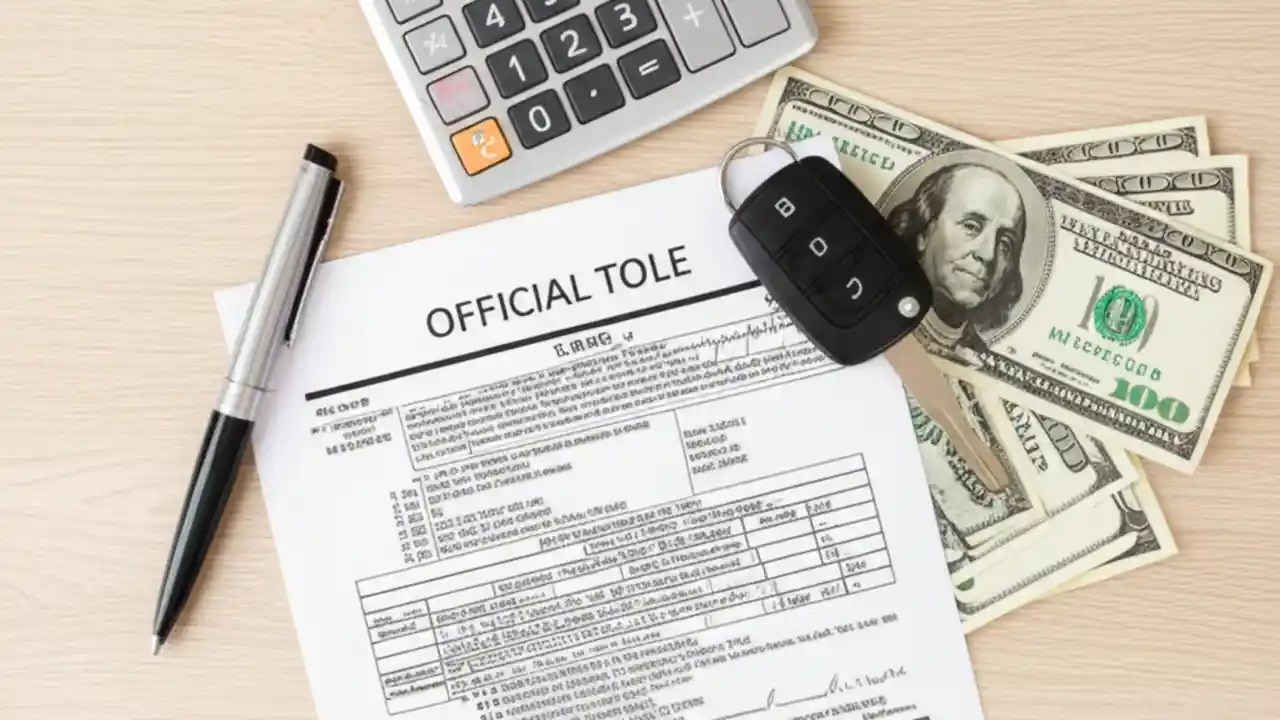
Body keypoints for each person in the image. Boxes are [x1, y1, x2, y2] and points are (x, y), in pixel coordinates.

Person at [888, 164, 1027, 351]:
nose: (987, 255)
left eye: (1005, 244)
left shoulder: (978, 359)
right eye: (971, 226)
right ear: (924, 232)